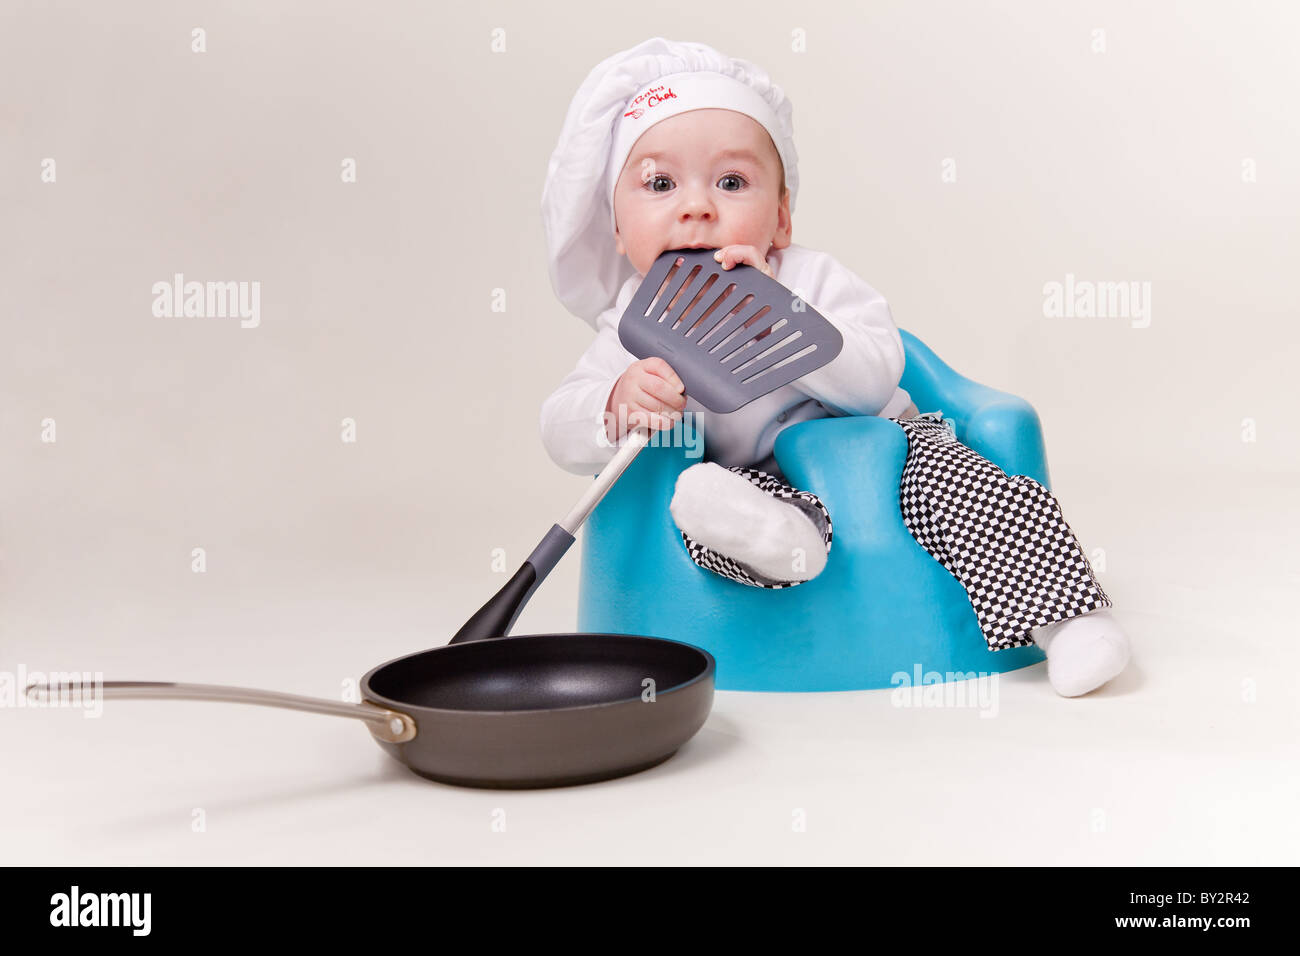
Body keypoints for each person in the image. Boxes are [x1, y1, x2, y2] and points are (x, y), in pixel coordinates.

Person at [539, 37, 1130, 697]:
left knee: (971, 492)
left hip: (893, 451)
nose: (698, 205)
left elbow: (881, 370)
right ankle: (783, 539)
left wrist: (789, 324)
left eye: (732, 182)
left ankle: (1069, 620)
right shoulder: (631, 327)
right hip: (750, 478)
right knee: (705, 511)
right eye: (659, 184)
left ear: (782, 218)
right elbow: (558, 428)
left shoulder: (812, 280)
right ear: (618, 231)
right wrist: (614, 405)